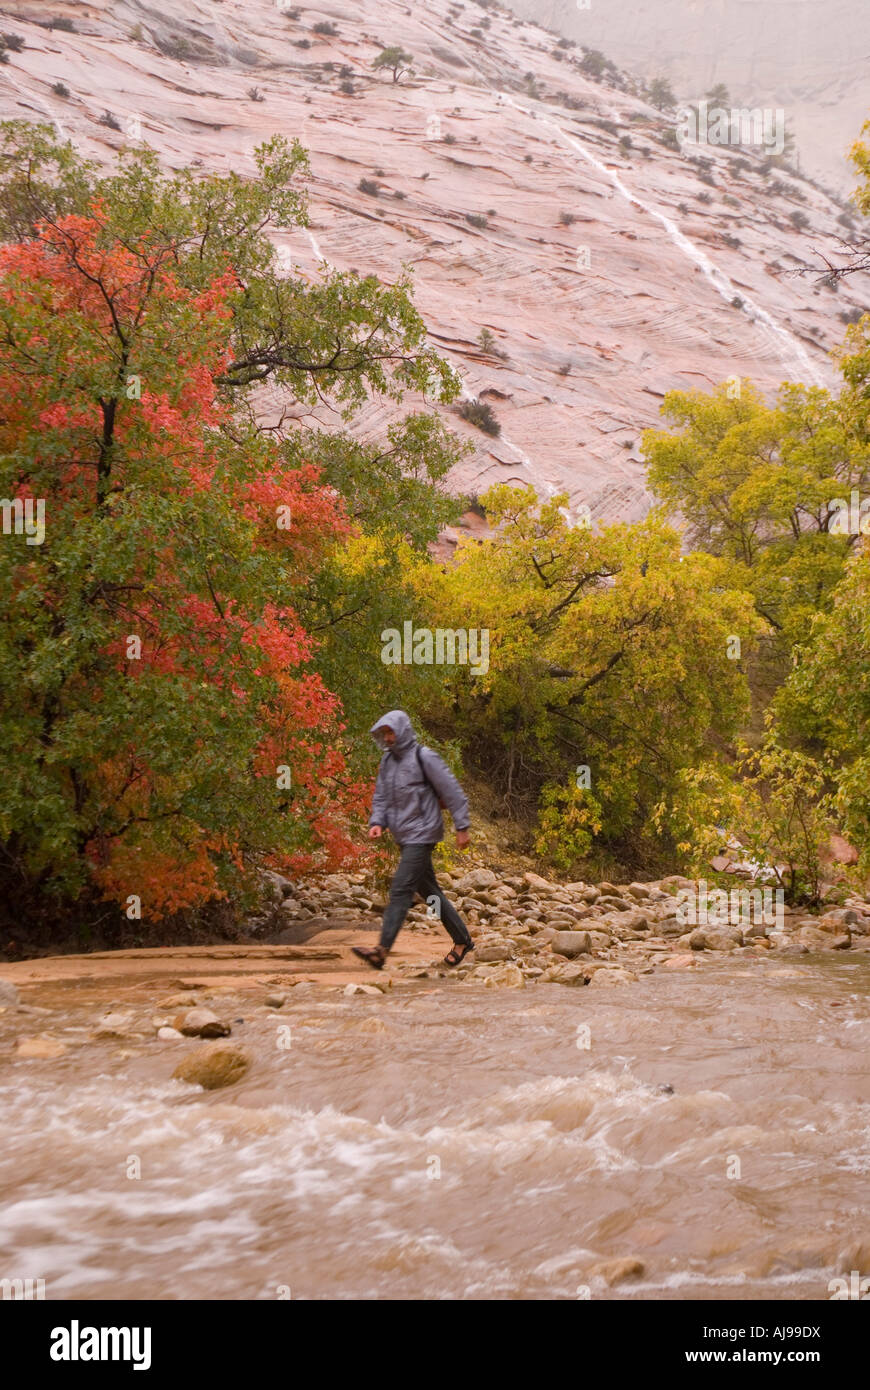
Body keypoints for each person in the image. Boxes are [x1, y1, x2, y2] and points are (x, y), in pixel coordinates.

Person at [352, 709, 474, 971]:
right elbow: (382, 797)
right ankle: (462, 941)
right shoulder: (387, 763)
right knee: (431, 892)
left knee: (400, 889)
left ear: (403, 731)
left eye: (391, 731)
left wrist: (462, 827)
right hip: (403, 835)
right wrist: (377, 822)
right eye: (384, 733)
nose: (387, 737)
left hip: (424, 832)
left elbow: (453, 791)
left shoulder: (424, 756)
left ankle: (381, 951)